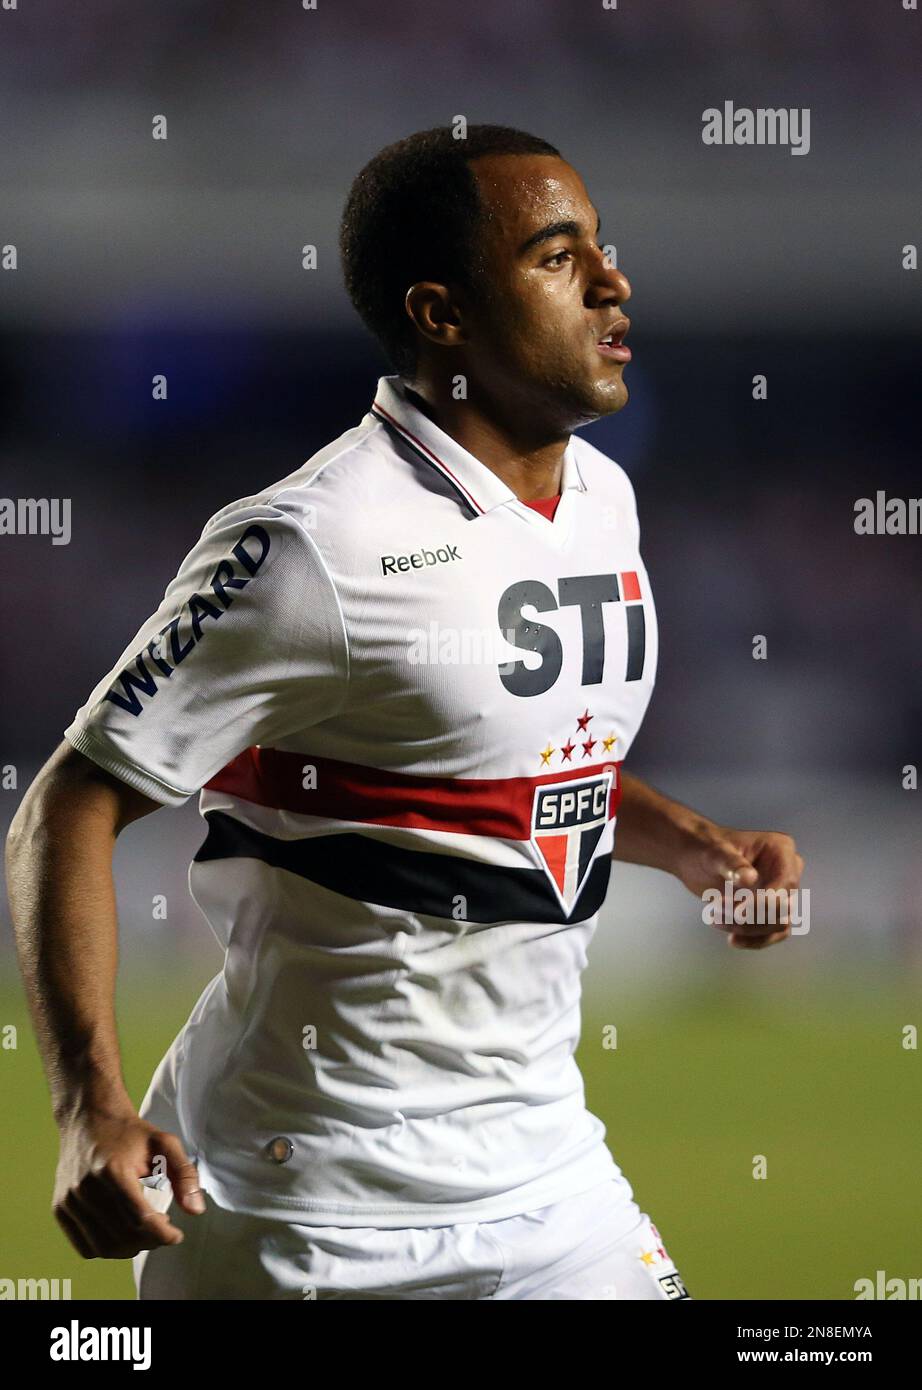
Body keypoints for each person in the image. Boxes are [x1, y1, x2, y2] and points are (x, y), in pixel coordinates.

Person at [6, 125, 803, 1300]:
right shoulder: (309, 544)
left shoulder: (602, 499)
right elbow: (67, 803)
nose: (611, 280)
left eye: (603, 247)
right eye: (553, 254)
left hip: (549, 1175)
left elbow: (507, 763)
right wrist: (89, 1110)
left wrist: (695, 847)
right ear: (441, 315)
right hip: (303, 1207)